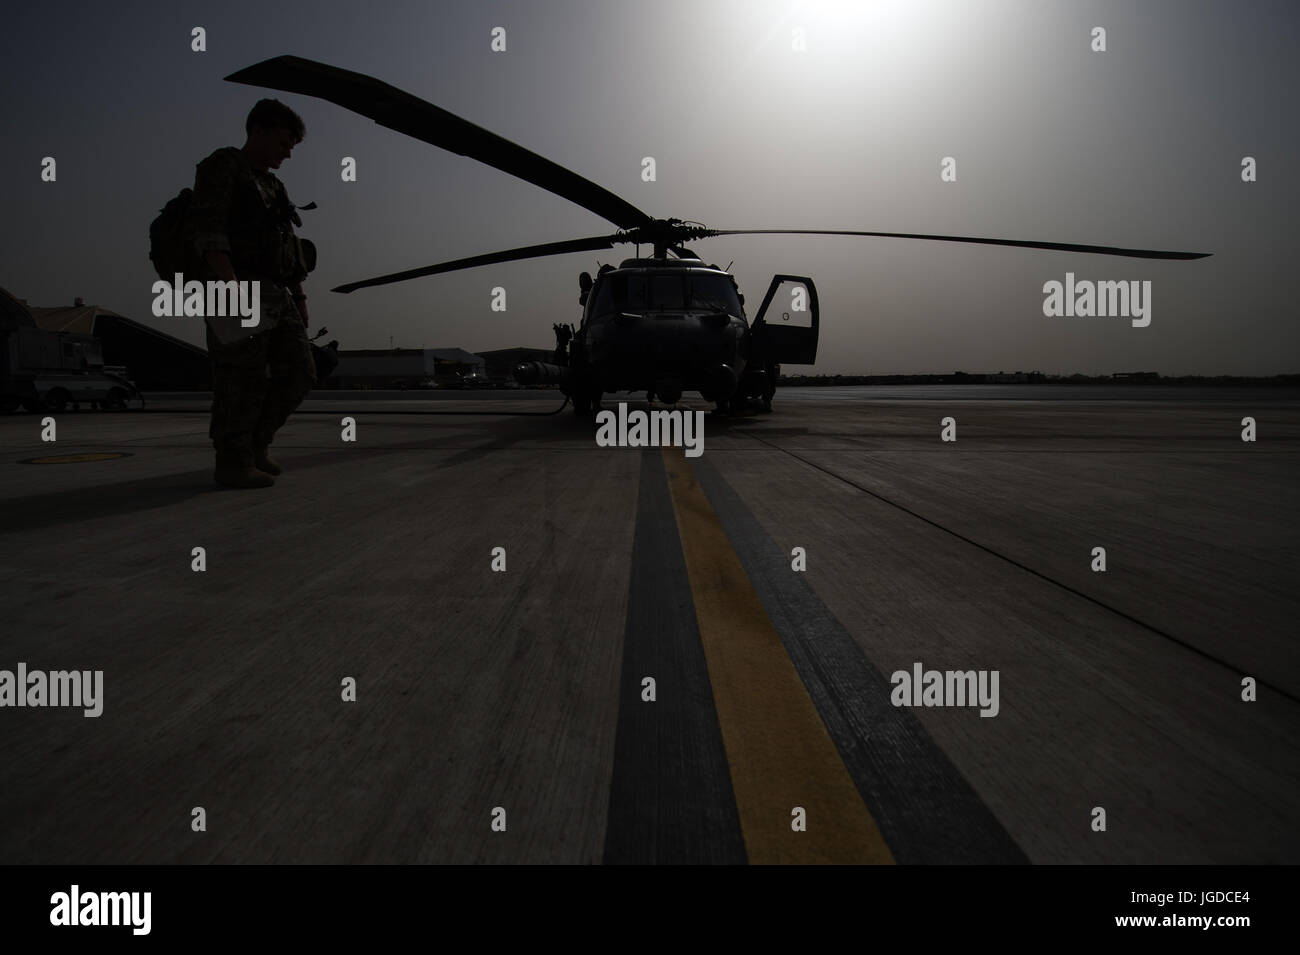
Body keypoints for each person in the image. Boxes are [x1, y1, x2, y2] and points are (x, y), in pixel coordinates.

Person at [189, 98, 316, 488]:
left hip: (275, 292)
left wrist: (299, 297)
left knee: (300, 371)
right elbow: (210, 231)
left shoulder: (274, 186)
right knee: (241, 379)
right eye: (283, 143)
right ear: (257, 131)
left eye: (292, 146)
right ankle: (232, 461)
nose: (287, 154)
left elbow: (287, 247)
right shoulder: (224, 165)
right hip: (232, 284)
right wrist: (229, 289)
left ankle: (256, 446)